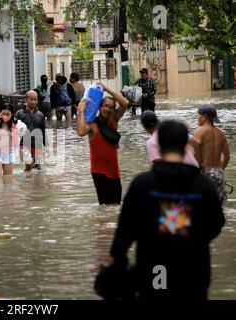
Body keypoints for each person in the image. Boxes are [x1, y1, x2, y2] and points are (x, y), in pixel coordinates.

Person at [109, 120, 225, 300]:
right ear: (186, 146)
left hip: (154, 268)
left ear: (159, 145)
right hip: (193, 269)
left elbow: (125, 228)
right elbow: (216, 224)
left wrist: (119, 258)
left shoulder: (143, 184)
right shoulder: (203, 186)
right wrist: (193, 237)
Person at [76, 83, 129, 205]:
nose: (108, 109)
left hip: (114, 173)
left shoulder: (113, 121)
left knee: (113, 207)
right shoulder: (92, 124)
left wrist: (106, 89)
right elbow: (80, 131)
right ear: (99, 107)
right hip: (99, 173)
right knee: (108, 207)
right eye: (105, 106)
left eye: (111, 107)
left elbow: (125, 103)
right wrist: (81, 110)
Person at [193, 105, 230, 204]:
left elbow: (194, 151)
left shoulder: (200, 131)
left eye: (199, 116)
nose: (198, 118)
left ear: (205, 117)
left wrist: (200, 165)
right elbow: (227, 156)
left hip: (205, 173)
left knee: (202, 207)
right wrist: (220, 169)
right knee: (217, 207)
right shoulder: (221, 134)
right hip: (218, 173)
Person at [0, 104, 27, 176]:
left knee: (8, 181)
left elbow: (15, 141)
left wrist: (14, 128)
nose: (5, 116)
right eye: (3, 114)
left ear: (11, 114)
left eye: (7, 114)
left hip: (9, 153)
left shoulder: (16, 123)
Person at [15, 90, 47, 171]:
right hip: (24, 144)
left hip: (37, 145)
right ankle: (26, 180)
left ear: (37, 100)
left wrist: (46, 145)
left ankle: (31, 182)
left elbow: (43, 130)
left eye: (35, 99)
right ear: (26, 100)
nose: (33, 102)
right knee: (29, 165)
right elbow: (14, 130)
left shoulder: (40, 114)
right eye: (31, 99)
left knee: (38, 170)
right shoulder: (19, 114)